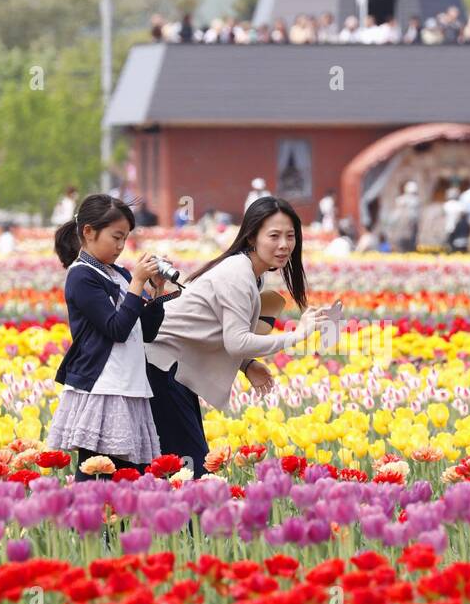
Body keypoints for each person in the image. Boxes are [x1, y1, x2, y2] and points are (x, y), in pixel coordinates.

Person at [143, 197, 328, 473]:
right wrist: (298, 334)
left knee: (182, 466)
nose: (284, 245)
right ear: (252, 236)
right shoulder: (238, 274)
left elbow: (217, 328)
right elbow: (237, 341)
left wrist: (247, 364)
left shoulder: (253, 274)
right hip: (161, 369)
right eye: (274, 236)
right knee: (190, 470)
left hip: (174, 371)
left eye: (290, 236)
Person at [48, 193, 177, 480]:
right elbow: (116, 329)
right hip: (103, 386)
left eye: (125, 238)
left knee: (127, 477)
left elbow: (147, 330)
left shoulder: (116, 273)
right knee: (97, 473)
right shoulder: (81, 276)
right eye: (116, 237)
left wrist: (155, 290)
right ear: (89, 232)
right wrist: (138, 283)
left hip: (128, 383)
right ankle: (89, 525)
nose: (121, 246)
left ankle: (118, 526)